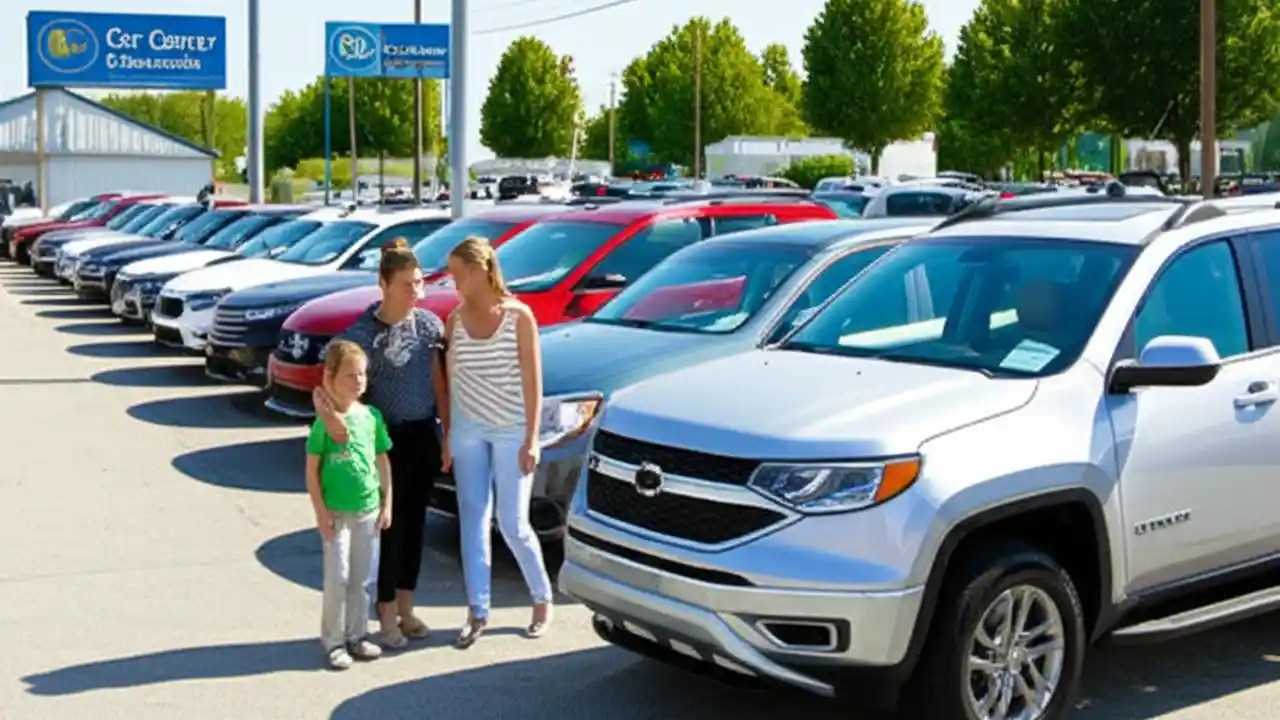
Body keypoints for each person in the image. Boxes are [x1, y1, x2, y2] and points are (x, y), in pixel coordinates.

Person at [313, 238, 448, 650]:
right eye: (407, 285)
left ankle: (406, 608)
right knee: (390, 528)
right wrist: (332, 418)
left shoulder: (428, 327)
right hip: (383, 442)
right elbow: (325, 385)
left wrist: (448, 434)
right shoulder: (361, 334)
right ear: (384, 284)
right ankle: (385, 614)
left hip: (423, 434)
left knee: (415, 528)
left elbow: (440, 384)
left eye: (420, 284)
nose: (416, 293)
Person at [444, 236, 554, 649]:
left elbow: (533, 381)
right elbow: (453, 380)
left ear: (477, 271)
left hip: (512, 431)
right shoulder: (454, 320)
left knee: (512, 522)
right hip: (469, 432)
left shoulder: (519, 316)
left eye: (457, 273)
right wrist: (450, 433)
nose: (452, 281)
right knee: (473, 520)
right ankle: (477, 610)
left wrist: (532, 439)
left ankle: (542, 598)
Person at [305, 340, 392, 670]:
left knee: (360, 578)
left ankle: (358, 634)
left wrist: (387, 503)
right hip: (337, 514)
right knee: (337, 577)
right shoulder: (325, 424)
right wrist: (321, 512)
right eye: (349, 375)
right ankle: (333, 640)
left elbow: (382, 459)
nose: (358, 382)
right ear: (331, 377)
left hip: (368, 511)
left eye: (362, 375)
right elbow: (312, 470)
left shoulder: (370, 416)